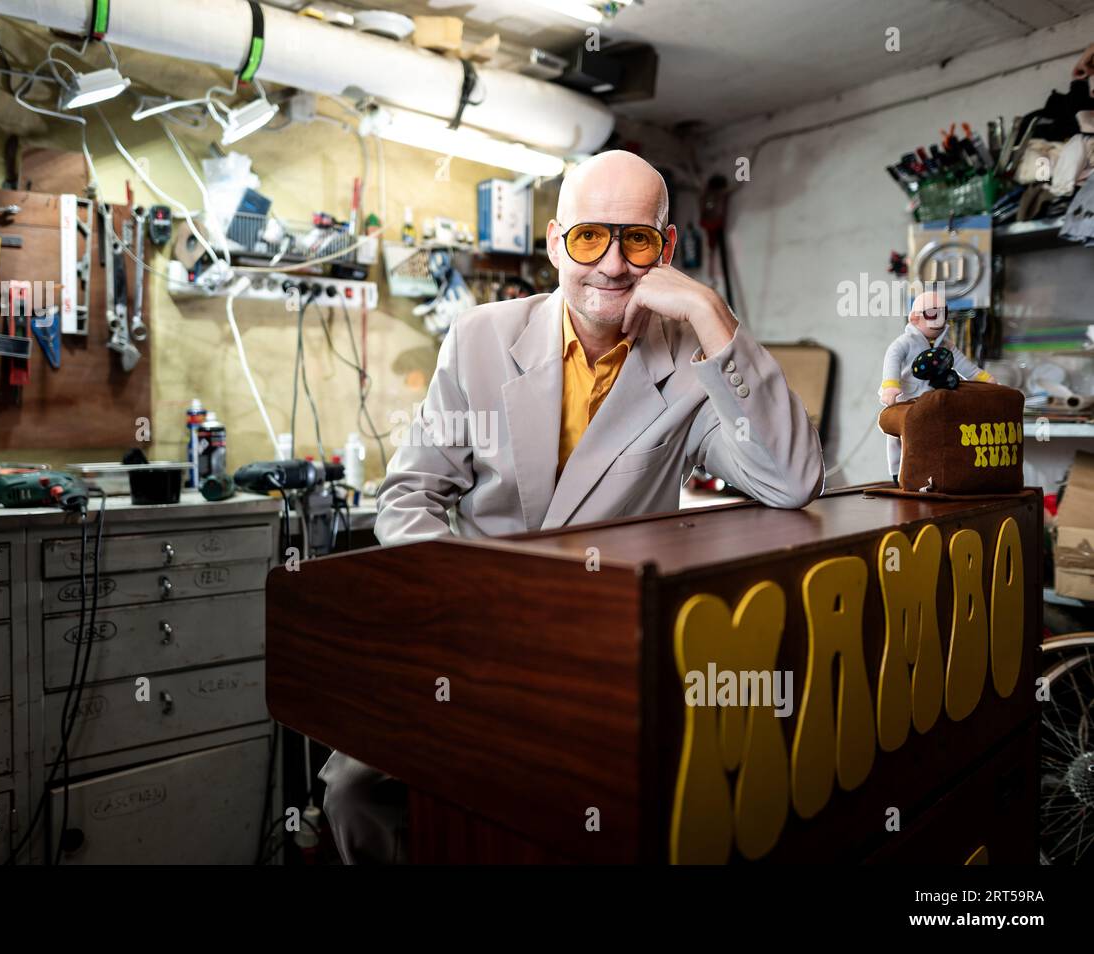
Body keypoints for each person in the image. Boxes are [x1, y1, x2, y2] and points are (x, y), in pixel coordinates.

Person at [318, 149, 825, 864]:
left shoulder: (689, 365)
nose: (613, 265)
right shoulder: (479, 341)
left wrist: (714, 316)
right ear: (556, 242)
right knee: (355, 793)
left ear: (667, 249)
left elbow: (794, 478)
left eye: (637, 240)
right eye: (590, 237)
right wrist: (454, 601)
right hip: (471, 632)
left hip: (602, 651)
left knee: (581, 813)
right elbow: (413, 492)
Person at [879, 288, 993, 480]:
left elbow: (965, 366)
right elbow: (892, 359)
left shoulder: (946, 345)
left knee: (936, 436)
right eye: (932, 313)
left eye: (943, 313)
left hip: (934, 401)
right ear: (915, 318)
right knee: (899, 437)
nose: (938, 319)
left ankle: (933, 474)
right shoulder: (905, 342)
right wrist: (890, 385)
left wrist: (986, 380)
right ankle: (897, 474)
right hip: (906, 400)